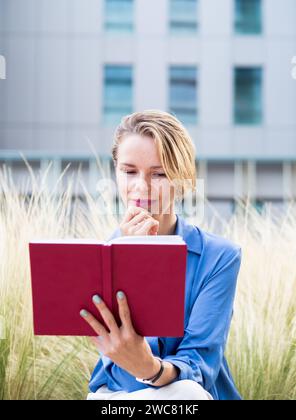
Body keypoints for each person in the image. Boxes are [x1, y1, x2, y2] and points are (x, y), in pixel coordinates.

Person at [80, 110, 243, 400]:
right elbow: (118, 371)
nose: (141, 187)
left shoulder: (219, 257)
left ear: (182, 179)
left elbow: (199, 366)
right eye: (129, 172)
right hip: (117, 394)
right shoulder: (104, 255)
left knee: (184, 394)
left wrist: (150, 368)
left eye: (159, 174)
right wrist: (130, 258)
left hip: (187, 394)